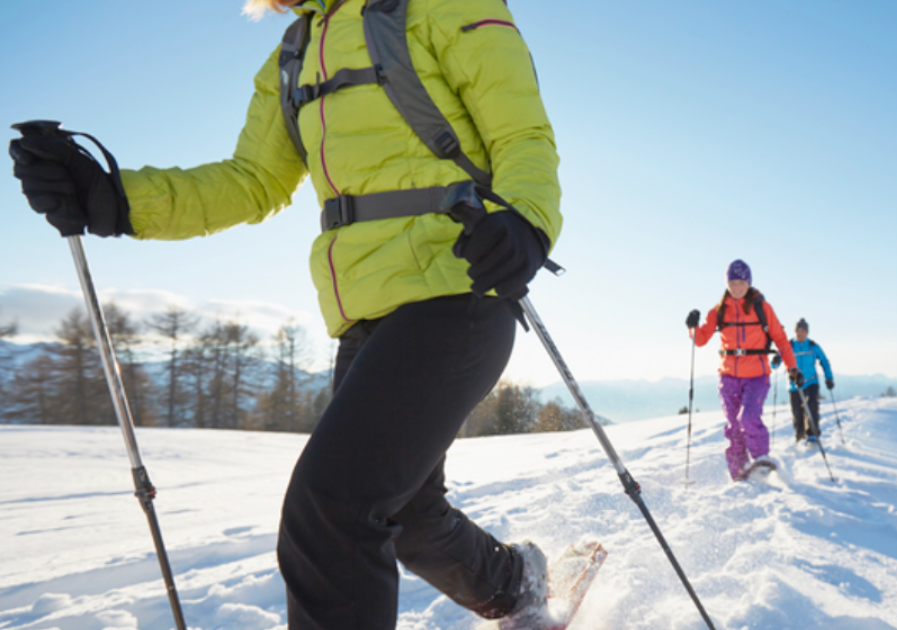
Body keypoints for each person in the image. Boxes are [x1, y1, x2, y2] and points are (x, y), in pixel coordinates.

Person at [10, 1, 561, 628]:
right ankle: (517, 587)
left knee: (332, 507)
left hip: (458, 287)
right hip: (363, 314)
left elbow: (522, 135)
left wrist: (525, 220)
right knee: (405, 513)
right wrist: (110, 195)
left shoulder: (441, 4)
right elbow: (251, 182)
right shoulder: (294, 52)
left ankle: (517, 589)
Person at [687, 260, 797, 481]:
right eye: (732, 283)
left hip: (757, 375)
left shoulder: (762, 308)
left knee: (747, 418)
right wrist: (692, 327)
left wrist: (792, 367)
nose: (737, 288)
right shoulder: (718, 311)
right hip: (728, 377)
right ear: (727, 283)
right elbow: (700, 340)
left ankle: (760, 461)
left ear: (749, 283)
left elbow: (781, 340)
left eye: (741, 283)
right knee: (734, 427)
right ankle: (739, 474)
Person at [772, 318, 834, 443]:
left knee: (811, 405)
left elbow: (824, 361)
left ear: (806, 332)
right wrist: (775, 360)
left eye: (802, 331)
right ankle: (800, 437)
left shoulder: (813, 346)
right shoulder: (789, 346)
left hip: (811, 382)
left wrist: (829, 377)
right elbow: (774, 365)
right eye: (798, 331)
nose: (800, 333)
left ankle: (812, 434)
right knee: (797, 414)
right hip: (794, 385)